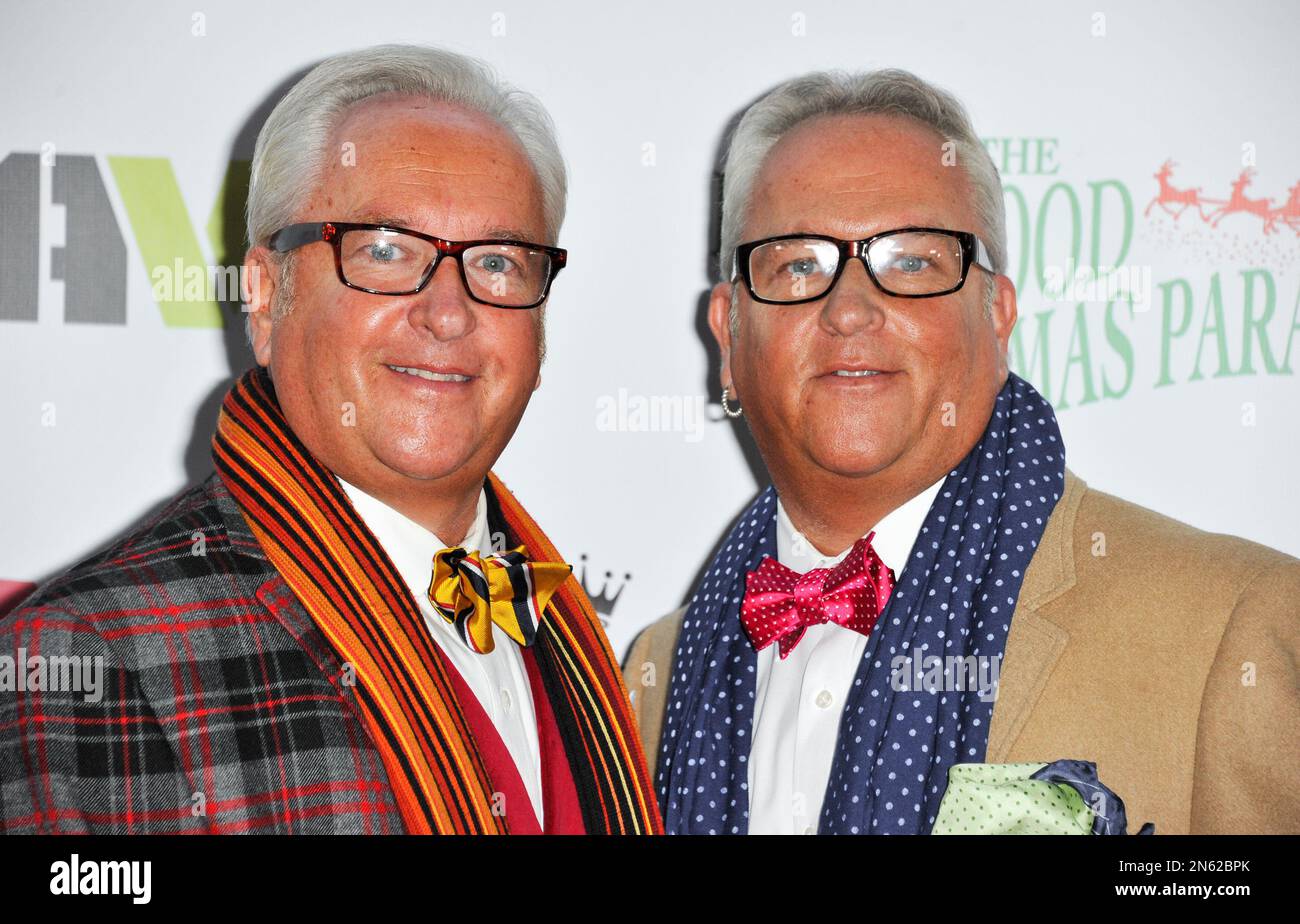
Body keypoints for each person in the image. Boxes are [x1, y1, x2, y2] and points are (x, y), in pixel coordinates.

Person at [0, 44, 659, 835]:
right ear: (265, 294)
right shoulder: (87, 656)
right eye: (384, 251)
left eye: (498, 263)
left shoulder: (562, 626)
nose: (447, 312)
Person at [623, 68, 1299, 835]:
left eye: (911, 261)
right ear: (728, 334)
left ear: (998, 315)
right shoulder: (655, 677)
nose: (848, 310)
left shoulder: (1231, 629)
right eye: (798, 264)